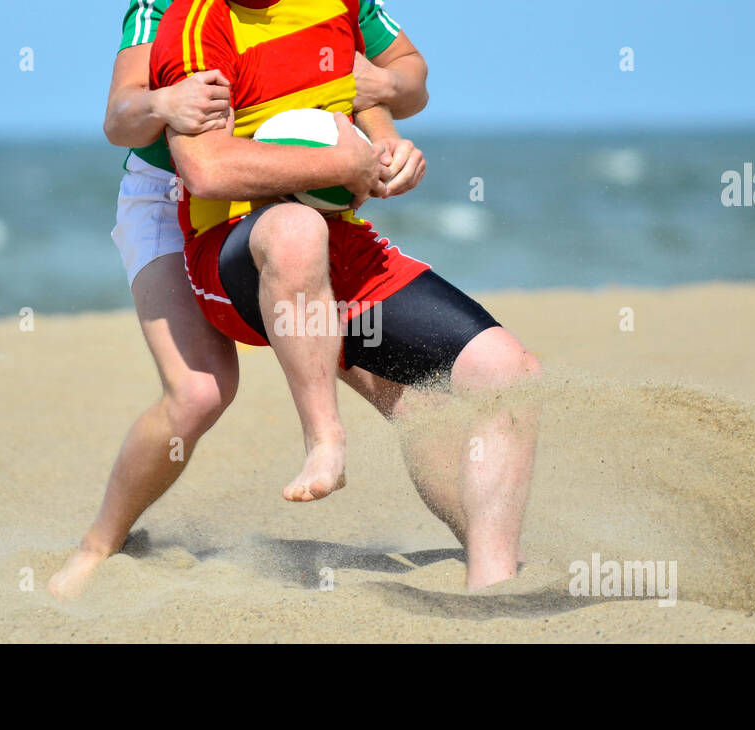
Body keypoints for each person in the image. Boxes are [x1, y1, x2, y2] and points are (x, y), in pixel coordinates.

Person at [48, 0, 430, 600]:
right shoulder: (168, 9)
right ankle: (98, 545)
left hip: (277, 180)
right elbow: (119, 119)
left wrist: (382, 87)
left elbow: (411, 80)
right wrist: (159, 103)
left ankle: (476, 539)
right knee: (199, 392)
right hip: (170, 191)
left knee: (390, 376)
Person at [154, 0, 541, 589]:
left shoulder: (337, 5)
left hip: (342, 240)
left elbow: (377, 94)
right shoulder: (193, 20)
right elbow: (205, 167)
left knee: (509, 371)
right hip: (231, 253)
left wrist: (388, 148)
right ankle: (324, 440)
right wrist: (339, 161)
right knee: (294, 229)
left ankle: (491, 585)